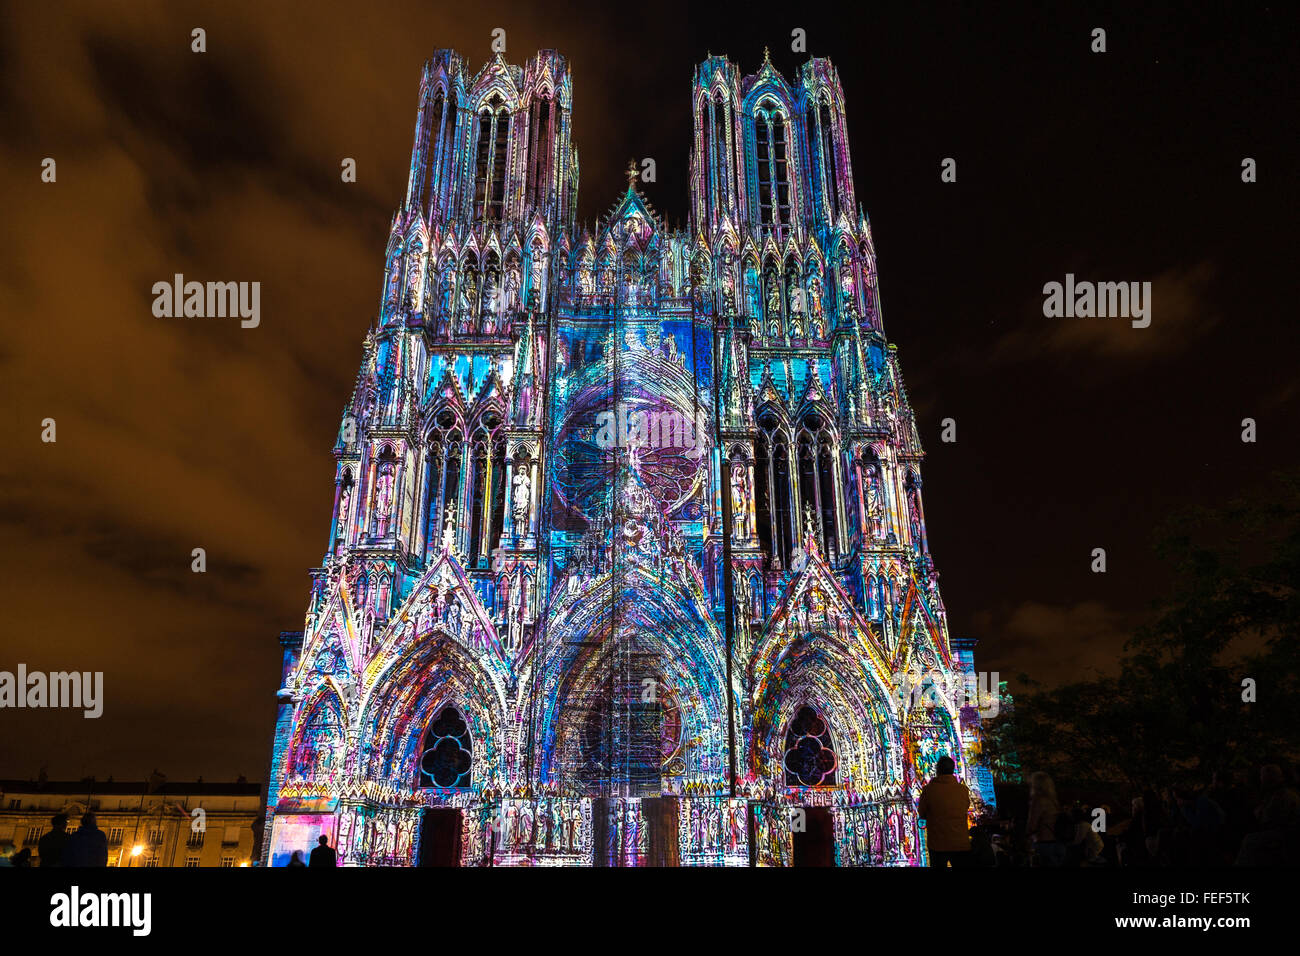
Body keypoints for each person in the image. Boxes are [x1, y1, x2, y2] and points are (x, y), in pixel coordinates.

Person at [917, 755, 972, 867]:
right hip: (960, 842)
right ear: (952, 770)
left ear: (937, 770)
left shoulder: (929, 790)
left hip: (938, 843)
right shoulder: (963, 790)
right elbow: (965, 807)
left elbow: (922, 813)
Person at [1027, 771, 1065, 866]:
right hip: (1058, 844)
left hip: (1043, 844)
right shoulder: (1054, 801)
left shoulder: (1038, 800)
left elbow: (1032, 825)